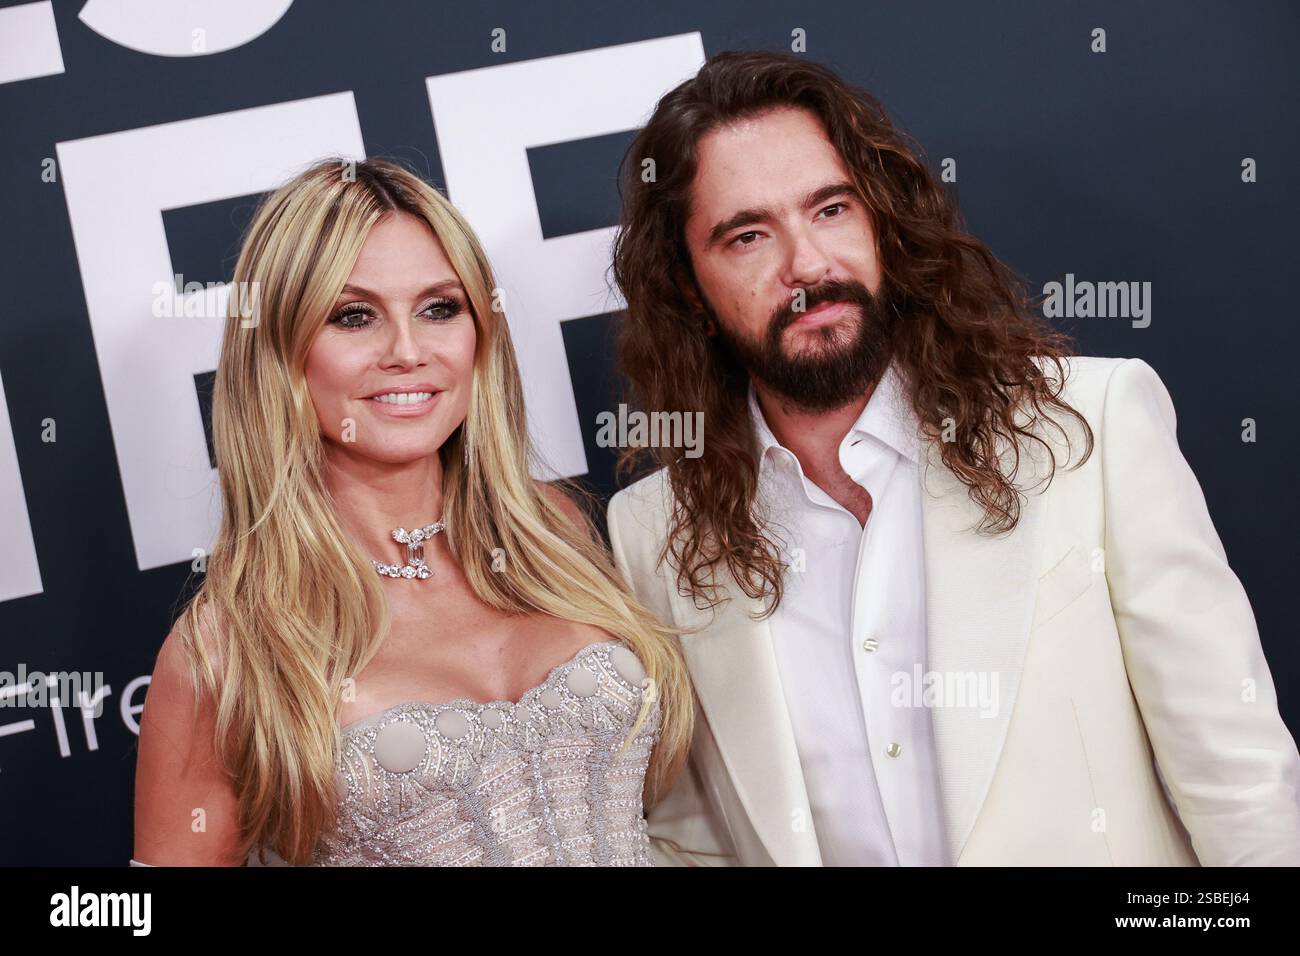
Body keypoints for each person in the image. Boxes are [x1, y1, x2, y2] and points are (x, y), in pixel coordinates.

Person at [606, 50, 1300, 866]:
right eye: (749, 235)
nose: (808, 266)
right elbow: (698, 841)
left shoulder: (1090, 426)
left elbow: (1243, 784)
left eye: (831, 209)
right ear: (688, 283)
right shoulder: (653, 531)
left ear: (881, 221)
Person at [133, 157, 693, 866]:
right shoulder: (226, 647)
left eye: (439, 308)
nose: (408, 351)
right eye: (354, 316)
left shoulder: (549, 528)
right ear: (279, 350)